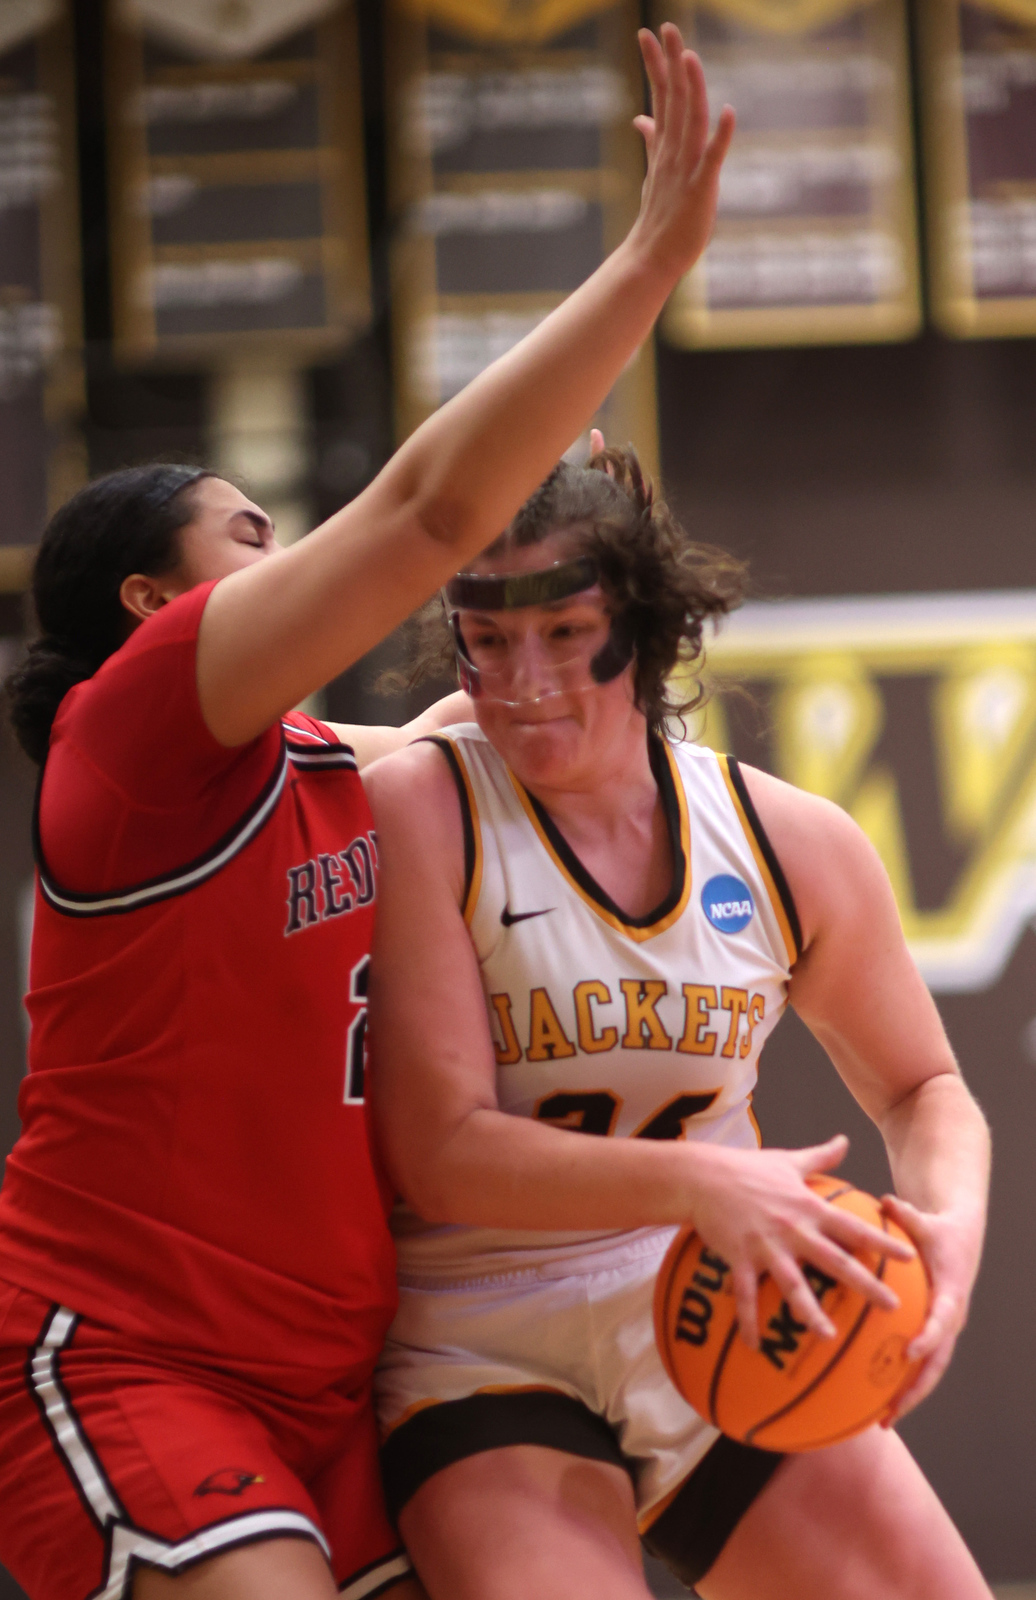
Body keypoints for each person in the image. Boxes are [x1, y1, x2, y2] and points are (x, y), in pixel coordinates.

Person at [0, 25, 735, 1600]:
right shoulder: (132, 732)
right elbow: (426, 513)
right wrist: (651, 257)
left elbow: (514, 692)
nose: (295, 563)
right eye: (253, 536)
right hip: (141, 1354)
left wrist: (582, 521)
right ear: (152, 601)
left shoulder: (333, 760)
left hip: (337, 1370)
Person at [362, 444, 993, 1600]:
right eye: (488, 641)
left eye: (563, 634)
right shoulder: (420, 804)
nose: (524, 680)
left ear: (645, 628)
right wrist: (701, 1185)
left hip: (716, 1300)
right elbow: (442, 1153)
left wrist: (946, 1230)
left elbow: (922, 1087)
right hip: (482, 1343)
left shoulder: (787, 841)